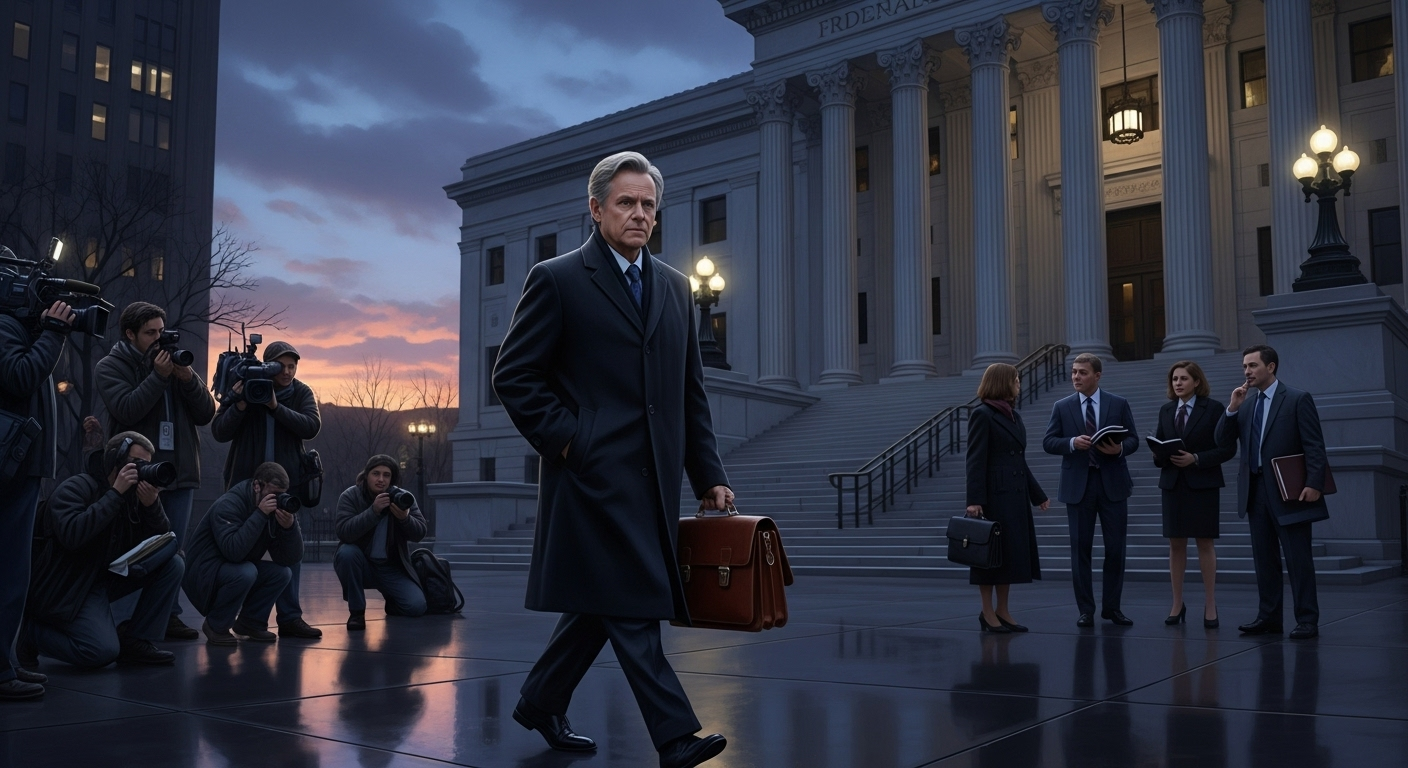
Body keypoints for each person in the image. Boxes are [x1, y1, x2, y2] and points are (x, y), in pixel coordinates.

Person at [492, 151, 733, 768]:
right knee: (634, 604)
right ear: (596, 208)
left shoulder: (677, 289)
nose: (640, 214)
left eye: (648, 204)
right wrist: (573, 439)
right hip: (589, 476)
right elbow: (515, 376)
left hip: (653, 479)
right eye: (626, 202)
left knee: (603, 602)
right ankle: (675, 736)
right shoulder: (558, 278)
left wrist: (708, 476)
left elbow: (690, 393)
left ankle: (541, 702)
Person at [95, 301, 217, 641]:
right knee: (138, 549)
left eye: (162, 331)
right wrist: (158, 376)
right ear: (130, 334)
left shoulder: (173, 361)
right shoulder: (111, 366)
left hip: (179, 471)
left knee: (171, 547)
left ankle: (169, 614)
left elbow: (206, 412)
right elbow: (127, 409)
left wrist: (187, 378)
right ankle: (127, 620)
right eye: (151, 333)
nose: (159, 338)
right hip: (138, 473)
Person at [21, 433, 181, 669]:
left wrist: (152, 507)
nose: (141, 470)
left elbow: (157, 543)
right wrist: (114, 494)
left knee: (172, 564)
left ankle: (135, 640)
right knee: (100, 651)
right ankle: (28, 633)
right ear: (115, 460)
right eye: (136, 462)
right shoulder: (78, 487)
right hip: (64, 585)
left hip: (100, 578)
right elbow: (72, 535)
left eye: (145, 464)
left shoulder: (132, 497)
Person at [1215, 345, 1328, 640]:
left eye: (1252, 366)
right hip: (1256, 492)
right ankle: (1269, 617)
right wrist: (1231, 409)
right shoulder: (1246, 405)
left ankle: (1307, 619)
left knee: (1298, 559)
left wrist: (1314, 483)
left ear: (1271, 367)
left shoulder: (1297, 399)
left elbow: (1314, 445)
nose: (1247, 372)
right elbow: (1222, 443)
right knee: (1264, 560)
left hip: (1290, 491)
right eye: (1244, 367)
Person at [210, 340, 322, 640]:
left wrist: (275, 406)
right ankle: (247, 619)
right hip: (248, 486)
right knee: (244, 552)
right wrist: (243, 403)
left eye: (292, 366)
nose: (286, 372)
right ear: (266, 365)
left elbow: (311, 426)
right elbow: (220, 431)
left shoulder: (301, 392)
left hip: (288, 485)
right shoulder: (244, 385)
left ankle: (290, 618)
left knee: (290, 552)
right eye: (280, 366)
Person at [0, 297, 73, 701]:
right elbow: (18, 376)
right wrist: (53, 333)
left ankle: (6, 665)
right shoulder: (6, 326)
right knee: (9, 574)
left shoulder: (17, 328)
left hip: (18, 465)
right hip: (11, 467)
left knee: (13, 575)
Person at [1042, 353, 1139, 627]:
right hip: (1078, 487)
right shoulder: (1062, 406)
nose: (1076, 377)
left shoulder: (1118, 403)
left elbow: (1133, 438)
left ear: (1097, 375)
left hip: (1113, 485)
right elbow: (1048, 441)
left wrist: (1119, 448)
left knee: (1116, 550)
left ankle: (1112, 608)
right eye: (1074, 372)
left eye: (1082, 372)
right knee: (1080, 550)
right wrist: (1072, 442)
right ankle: (1086, 609)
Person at [965, 363, 1049, 633]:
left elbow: (1019, 461)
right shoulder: (983, 414)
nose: (1019, 384)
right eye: (1016, 379)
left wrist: (1037, 495)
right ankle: (987, 612)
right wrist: (974, 500)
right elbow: (975, 461)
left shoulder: (1014, 415)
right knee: (988, 556)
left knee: (1009, 556)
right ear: (1003, 382)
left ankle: (1003, 609)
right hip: (992, 497)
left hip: (1015, 497)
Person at [181, 462, 301, 646]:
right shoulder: (229, 504)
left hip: (231, 567)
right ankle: (216, 626)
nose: (278, 499)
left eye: (282, 494)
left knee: (282, 573)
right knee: (246, 572)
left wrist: (289, 528)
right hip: (203, 573)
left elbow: (291, 558)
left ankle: (250, 624)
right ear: (256, 485)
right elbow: (233, 551)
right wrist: (260, 514)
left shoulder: (271, 507)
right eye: (274, 493)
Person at [1153, 361, 1235, 628]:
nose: (1178, 383)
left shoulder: (1213, 409)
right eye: (1174, 379)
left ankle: (1210, 604)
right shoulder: (1166, 410)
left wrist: (1196, 458)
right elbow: (1158, 448)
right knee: (1176, 545)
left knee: (1204, 543)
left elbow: (1226, 449)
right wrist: (1160, 453)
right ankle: (1177, 603)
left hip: (1203, 484)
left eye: (1184, 378)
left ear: (1196, 381)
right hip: (1173, 484)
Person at [333, 455, 429, 629]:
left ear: (392, 479)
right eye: (376, 474)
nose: (381, 479)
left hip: (391, 567)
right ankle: (356, 613)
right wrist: (373, 511)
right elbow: (344, 532)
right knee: (347, 553)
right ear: (366, 475)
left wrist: (405, 518)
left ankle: (392, 600)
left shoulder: (403, 498)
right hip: (362, 564)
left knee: (416, 606)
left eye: (386, 475)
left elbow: (420, 533)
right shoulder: (350, 496)